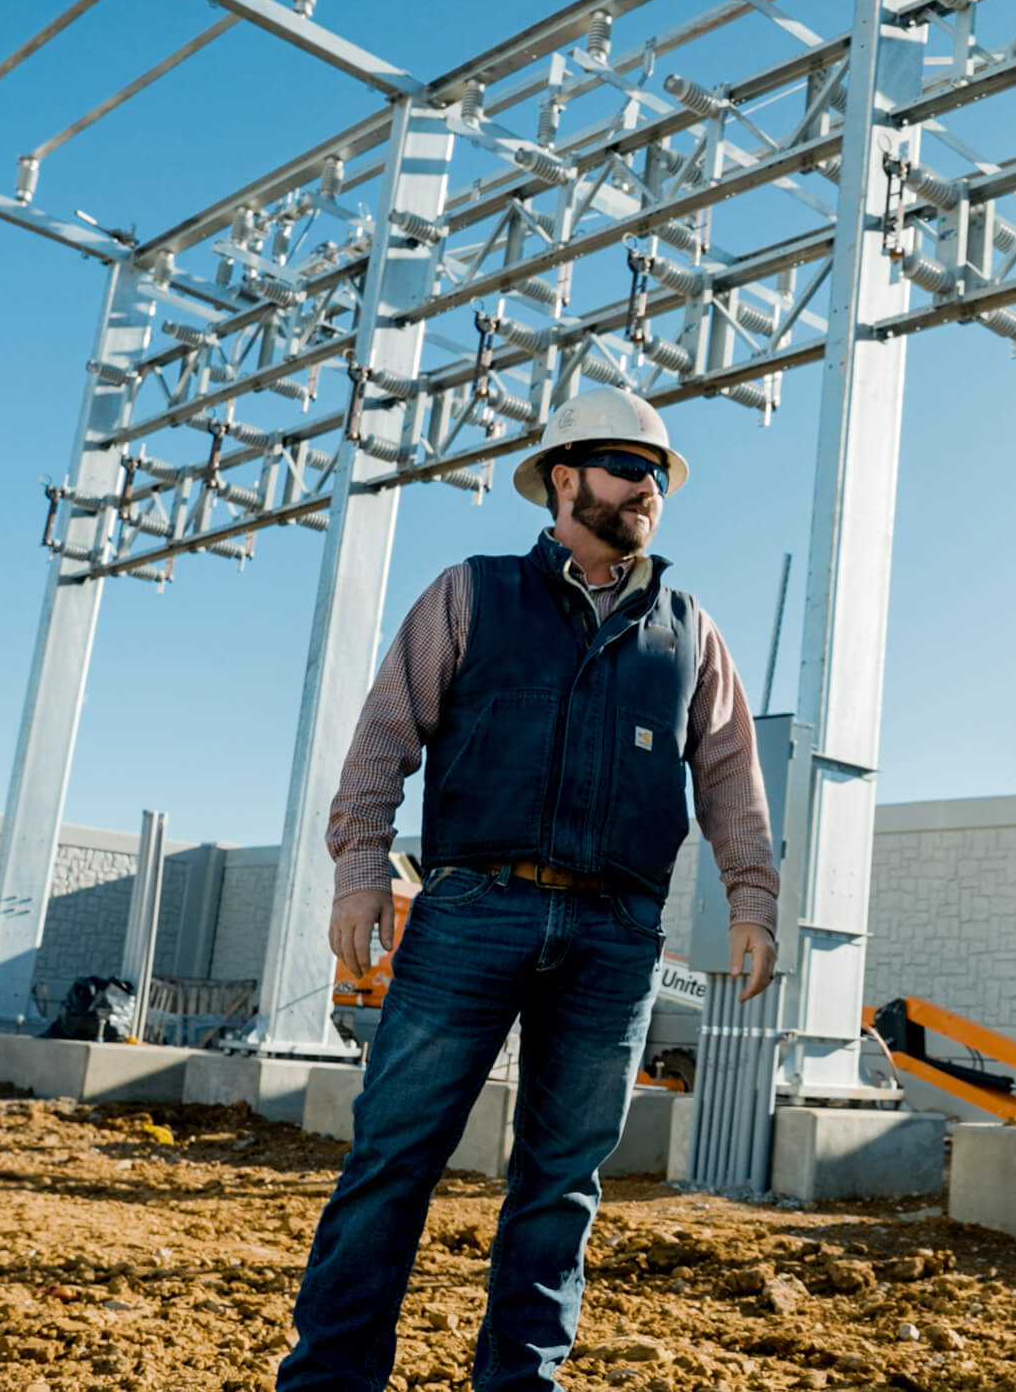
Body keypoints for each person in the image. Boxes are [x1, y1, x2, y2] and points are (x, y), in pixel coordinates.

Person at [279, 388, 782, 1392]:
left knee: (560, 1183)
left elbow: (730, 776)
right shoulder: (469, 594)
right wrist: (359, 868)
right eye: (627, 466)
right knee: (391, 1162)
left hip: (614, 935)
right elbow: (384, 736)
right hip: (472, 911)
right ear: (564, 476)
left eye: (658, 475)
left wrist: (752, 897)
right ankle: (330, 1380)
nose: (648, 488)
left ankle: (521, 1379)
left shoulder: (688, 630)